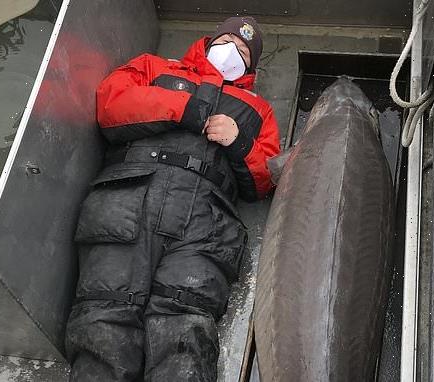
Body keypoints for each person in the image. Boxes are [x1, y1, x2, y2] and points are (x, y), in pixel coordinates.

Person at [65, 16, 280, 381]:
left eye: (243, 51)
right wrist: (182, 107)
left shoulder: (259, 110)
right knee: (105, 313)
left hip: (204, 222)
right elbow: (112, 103)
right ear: (210, 40)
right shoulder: (154, 67)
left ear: (251, 67)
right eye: (227, 40)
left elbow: (264, 179)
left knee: (186, 326)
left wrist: (239, 141)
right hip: (128, 202)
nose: (232, 51)